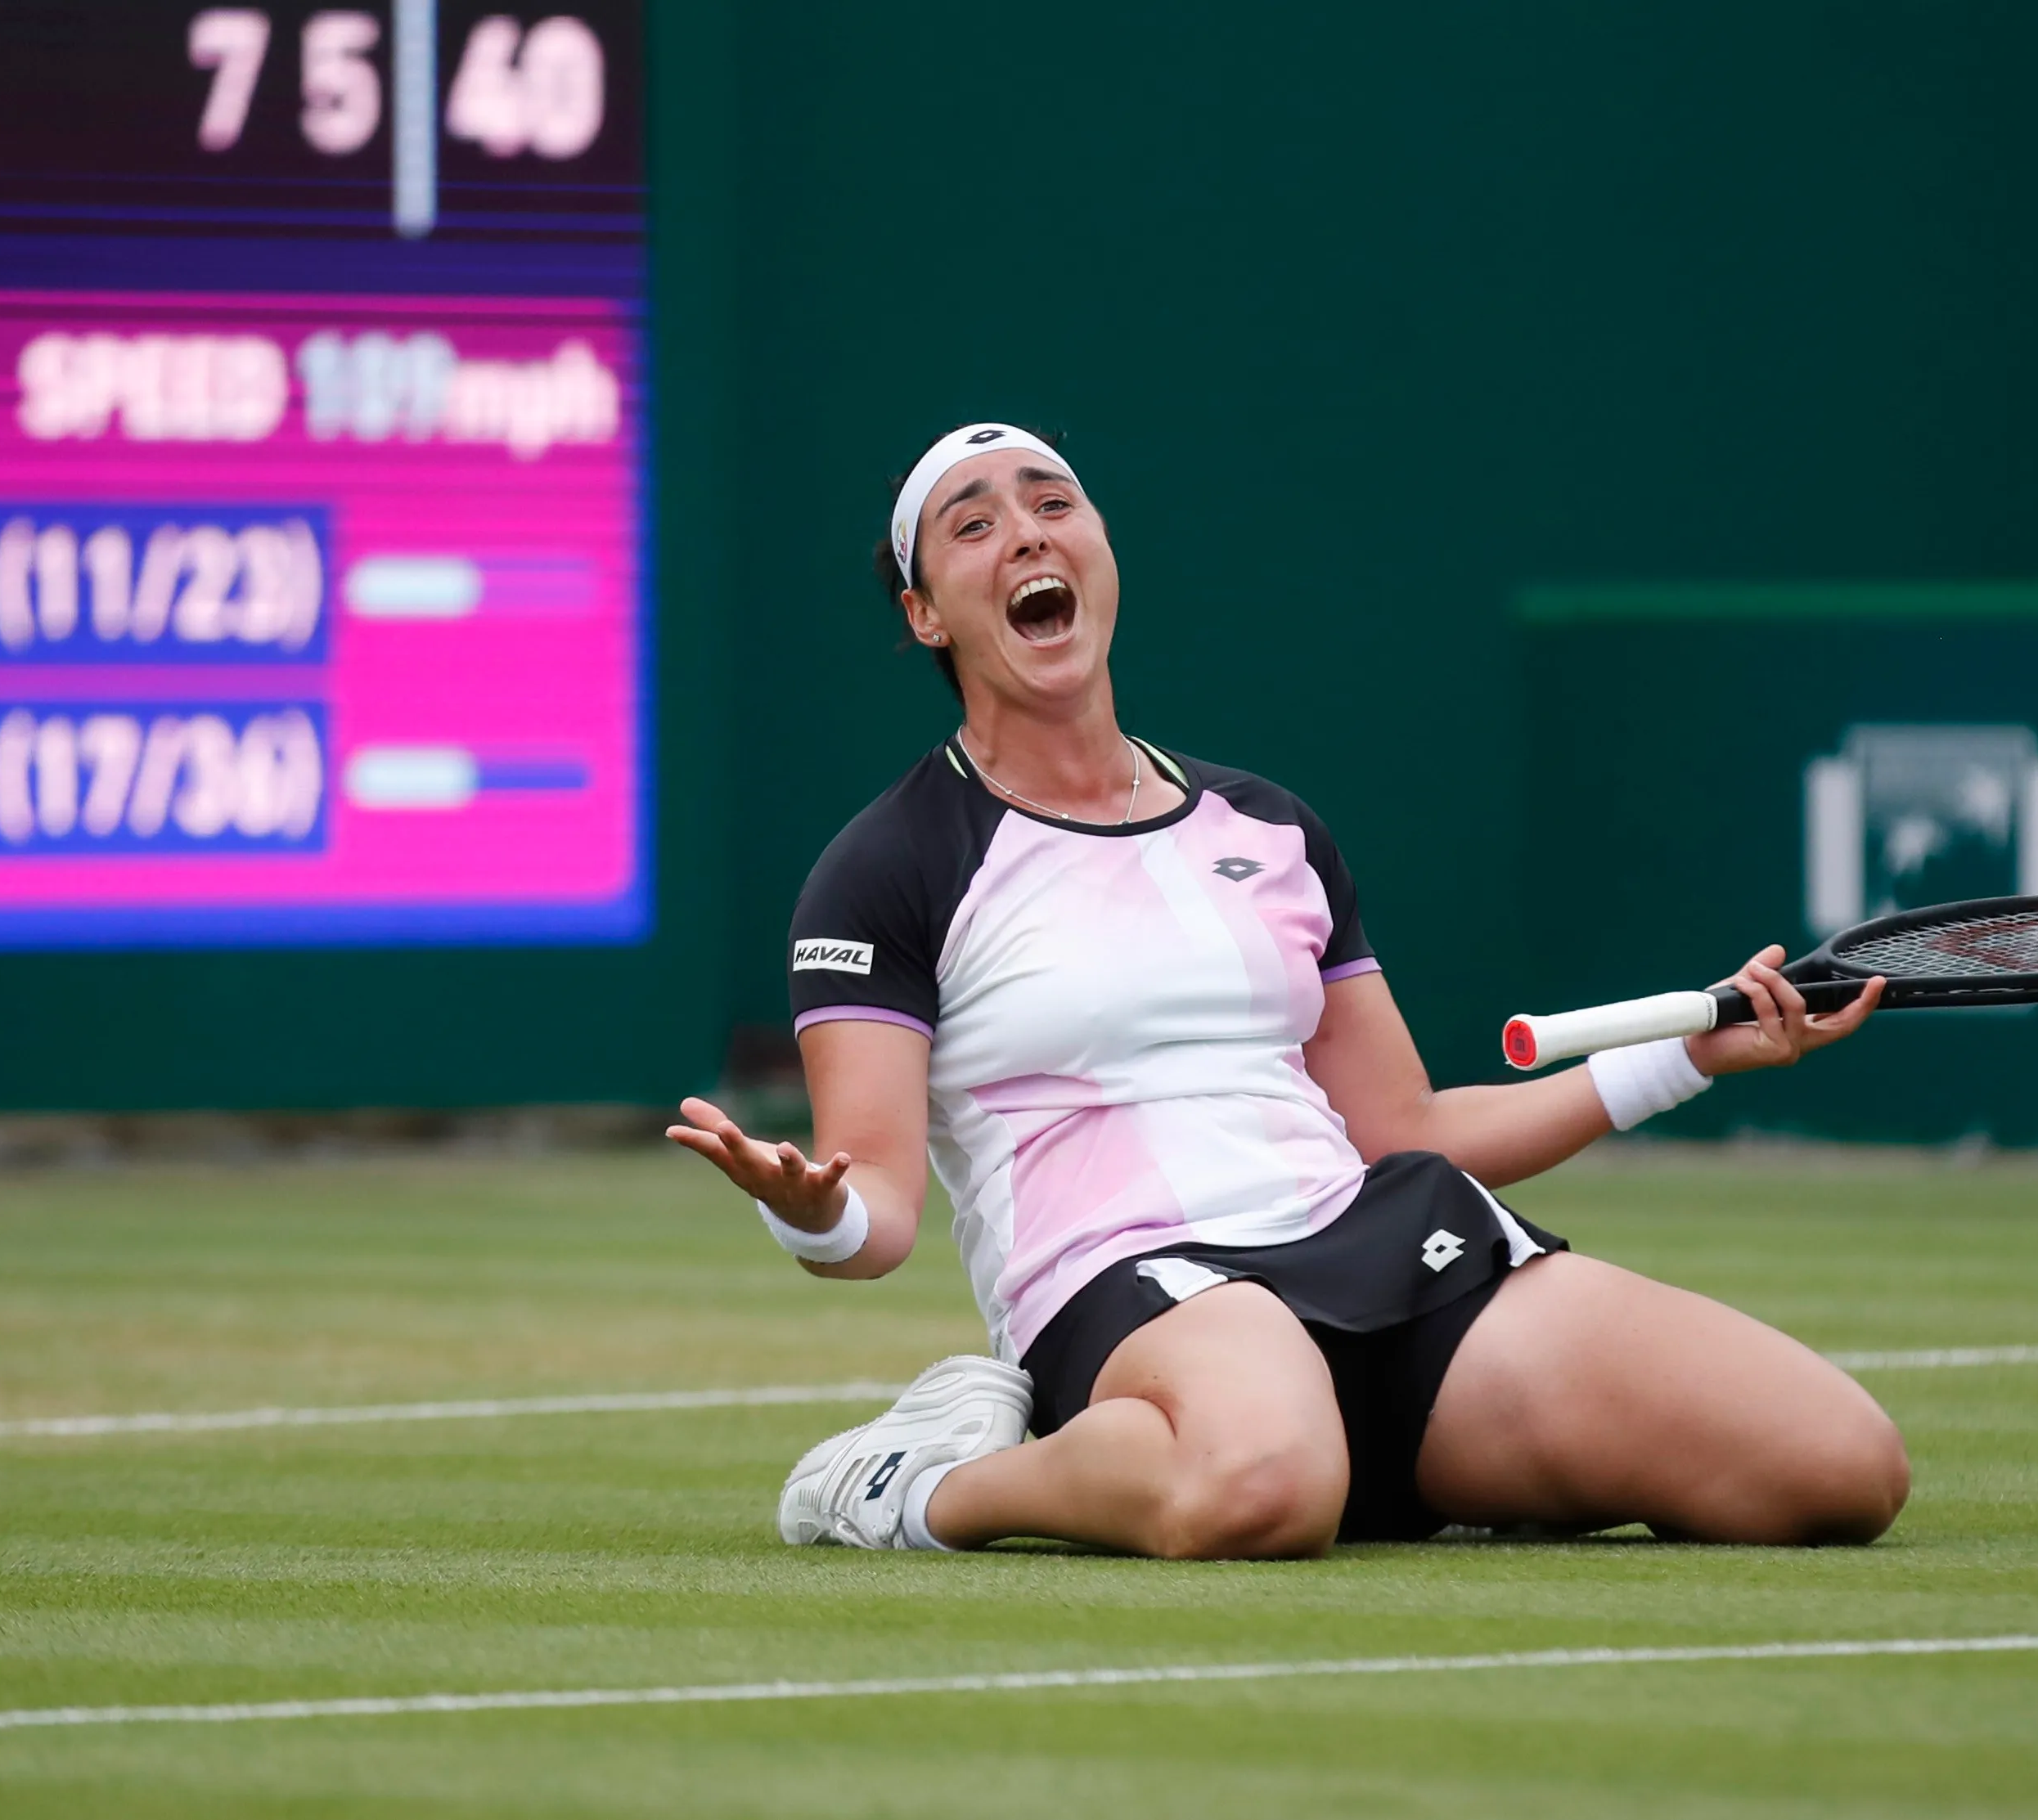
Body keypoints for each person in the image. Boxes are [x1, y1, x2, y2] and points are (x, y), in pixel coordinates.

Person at [667, 424, 1906, 1560]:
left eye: (1054, 502)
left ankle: (1409, 1461)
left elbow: (1408, 1131)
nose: (1029, 531)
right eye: (975, 524)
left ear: (1100, 551)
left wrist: (1686, 1056)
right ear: (927, 614)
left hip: (1371, 1240)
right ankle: (922, 1484)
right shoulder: (884, 869)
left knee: (1839, 1468)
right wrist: (810, 1213)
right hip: (1133, 1282)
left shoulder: (1271, 825)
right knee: (1263, 1484)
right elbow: (874, 1209)